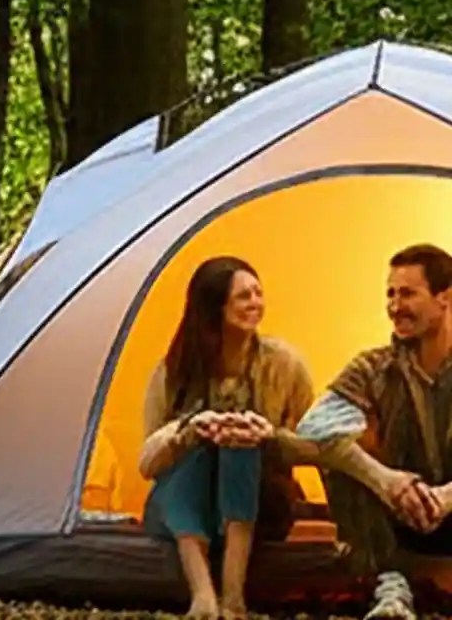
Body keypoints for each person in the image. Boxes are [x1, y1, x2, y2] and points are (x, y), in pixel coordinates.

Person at [139, 256, 317, 619]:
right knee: (191, 447)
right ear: (214, 307)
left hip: (260, 503)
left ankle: (233, 595)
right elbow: (150, 463)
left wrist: (267, 437)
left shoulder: (285, 364)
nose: (255, 303)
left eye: (258, 293)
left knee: (240, 442)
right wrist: (188, 432)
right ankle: (202, 591)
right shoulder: (174, 371)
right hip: (185, 507)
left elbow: (314, 447)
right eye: (243, 296)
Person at [294, 244, 452, 620]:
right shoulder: (372, 367)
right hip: (395, 518)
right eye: (391, 294)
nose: (396, 306)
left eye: (408, 293)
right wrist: (386, 481)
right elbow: (313, 428)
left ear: (444, 298)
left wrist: (446, 497)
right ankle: (391, 584)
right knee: (334, 452)